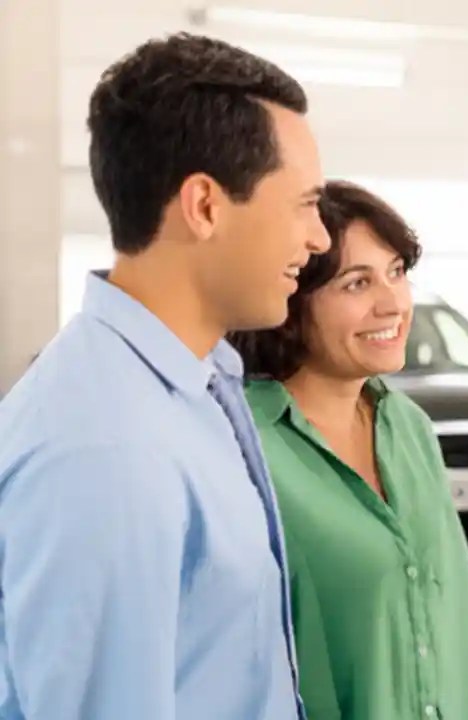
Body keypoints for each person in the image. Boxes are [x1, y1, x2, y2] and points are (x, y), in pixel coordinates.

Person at [0, 34, 328, 719]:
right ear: (205, 206)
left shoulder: (198, 384)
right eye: (303, 204)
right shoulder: (106, 449)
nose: (319, 238)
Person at [226, 180, 468, 720]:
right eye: (357, 283)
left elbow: (452, 622)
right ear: (292, 301)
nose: (392, 302)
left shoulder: (409, 427)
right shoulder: (243, 445)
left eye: (397, 273)